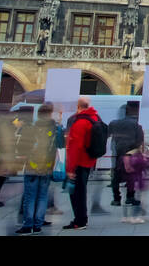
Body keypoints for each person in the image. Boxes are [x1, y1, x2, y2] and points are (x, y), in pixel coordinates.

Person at [15, 104, 59, 234]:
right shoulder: (55, 129)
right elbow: (61, 145)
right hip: (47, 167)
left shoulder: (31, 128)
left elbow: (21, 148)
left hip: (32, 166)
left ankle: (28, 225)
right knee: (42, 196)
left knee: (30, 196)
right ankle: (38, 224)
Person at [63, 98, 101, 230]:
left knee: (77, 193)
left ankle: (80, 221)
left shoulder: (80, 122)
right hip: (89, 160)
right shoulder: (95, 118)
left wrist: (70, 168)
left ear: (78, 106)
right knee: (81, 190)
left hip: (79, 161)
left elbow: (75, 147)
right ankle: (81, 219)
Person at [109, 102, 145, 208]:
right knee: (131, 177)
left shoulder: (114, 123)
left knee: (115, 177)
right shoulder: (136, 125)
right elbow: (139, 141)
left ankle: (116, 199)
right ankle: (130, 197)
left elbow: (107, 135)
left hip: (118, 154)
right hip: (130, 154)